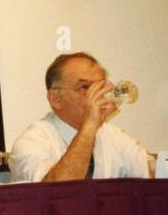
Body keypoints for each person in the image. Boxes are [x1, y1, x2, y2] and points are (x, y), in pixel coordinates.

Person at [9, 52, 153, 182]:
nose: (98, 96)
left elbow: (153, 173)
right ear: (55, 99)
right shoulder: (31, 142)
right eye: (84, 87)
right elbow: (57, 193)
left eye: (100, 87)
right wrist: (90, 125)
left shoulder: (113, 135)